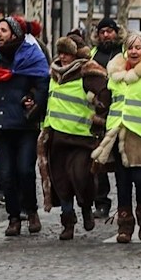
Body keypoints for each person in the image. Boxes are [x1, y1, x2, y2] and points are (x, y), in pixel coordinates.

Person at [0, 16, 50, 236]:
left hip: (25, 123)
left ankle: (31, 211)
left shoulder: (31, 56)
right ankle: (13, 217)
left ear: (15, 34)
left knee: (25, 170)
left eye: (4, 30)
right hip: (1, 123)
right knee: (6, 174)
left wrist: (33, 100)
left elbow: (42, 83)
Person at [93, 33, 141, 243]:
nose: (134, 51)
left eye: (138, 47)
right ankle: (124, 226)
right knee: (122, 182)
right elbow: (108, 101)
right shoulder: (116, 75)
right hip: (118, 133)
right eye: (130, 48)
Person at [38, 34, 108, 240]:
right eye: (60, 53)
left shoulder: (88, 73)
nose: (63, 57)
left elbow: (105, 96)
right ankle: (67, 221)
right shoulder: (53, 74)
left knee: (82, 178)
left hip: (81, 138)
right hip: (57, 137)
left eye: (67, 53)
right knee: (61, 183)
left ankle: (86, 208)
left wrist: (97, 119)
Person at [90, 18, 123, 219]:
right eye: (102, 32)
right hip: (98, 116)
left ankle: (124, 204)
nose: (106, 35)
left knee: (121, 162)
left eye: (110, 31)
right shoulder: (93, 55)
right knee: (98, 163)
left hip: (120, 114)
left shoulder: (124, 54)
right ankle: (101, 202)